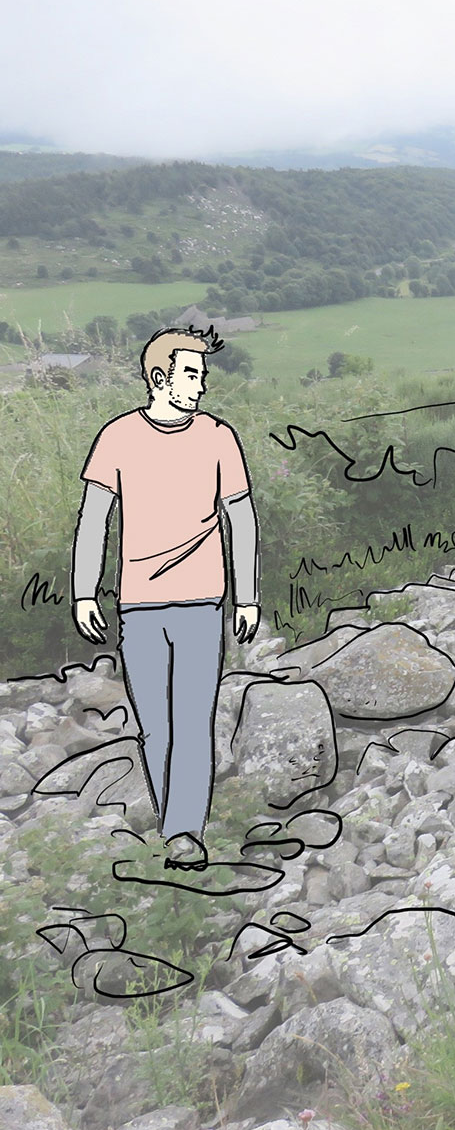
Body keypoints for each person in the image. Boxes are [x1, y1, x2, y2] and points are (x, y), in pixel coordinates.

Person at [72, 327, 260, 871]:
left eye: (202, 376)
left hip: (203, 603)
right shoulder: (117, 438)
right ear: (159, 377)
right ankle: (172, 820)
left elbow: (241, 519)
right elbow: (93, 519)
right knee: (156, 724)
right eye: (192, 374)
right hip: (140, 606)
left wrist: (245, 598)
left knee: (193, 718)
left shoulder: (219, 438)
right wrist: (85, 592)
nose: (201, 387)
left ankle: (184, 831)